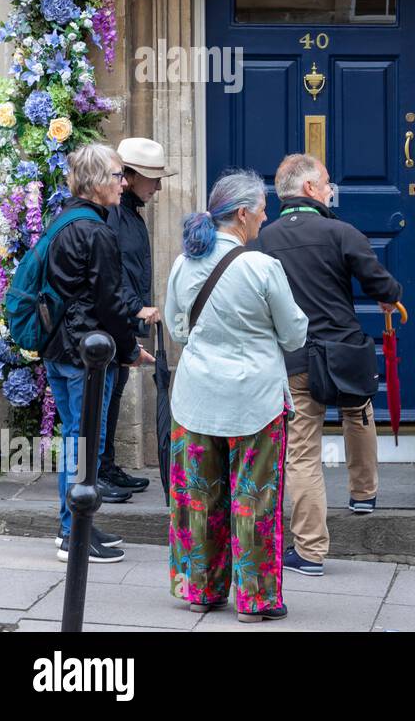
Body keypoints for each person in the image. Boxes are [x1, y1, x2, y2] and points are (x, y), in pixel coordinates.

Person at [163, 170, 308, 622]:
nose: (266, 217)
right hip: (254, 399)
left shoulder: (182, 264)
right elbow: (294, 334)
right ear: (242, 214)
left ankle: (202, 590)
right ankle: (257, 599)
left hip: (195, 397)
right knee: (256, 498)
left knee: (199, 497)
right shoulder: (261, 267)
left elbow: (176, 328)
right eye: (263, 210)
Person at [254, 154, 402, 578]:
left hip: (297, 355)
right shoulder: (342, 232)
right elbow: (383, 285)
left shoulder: (264, 240)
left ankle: (311, 550)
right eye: (325, 183)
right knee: (358, 414)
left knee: (302, 452)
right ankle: (363, 493)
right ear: (309, 191)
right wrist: (388, 296)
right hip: (345, 350)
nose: (330, 189)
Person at [45, 143, 154, 564]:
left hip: (61, 347)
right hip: (83, 357)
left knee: (77, 439)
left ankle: (74, 525)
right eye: (116, 175)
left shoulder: (66, 220)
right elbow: (109, 302)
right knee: (83, 442)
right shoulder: (95, 231)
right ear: (95, 182)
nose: (123, 182)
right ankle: (73, 531)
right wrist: (129, 350)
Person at [100, 137, 173, 495]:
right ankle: (96, 472)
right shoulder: (114, 214)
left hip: (119, 325)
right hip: (108, 324)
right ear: (130, 175)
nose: (158, 186)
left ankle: (105, 466)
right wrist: (135, 308)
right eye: (153, 178)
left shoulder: (127, 213)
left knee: (111, 394)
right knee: (100, 398)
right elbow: (111, 274)